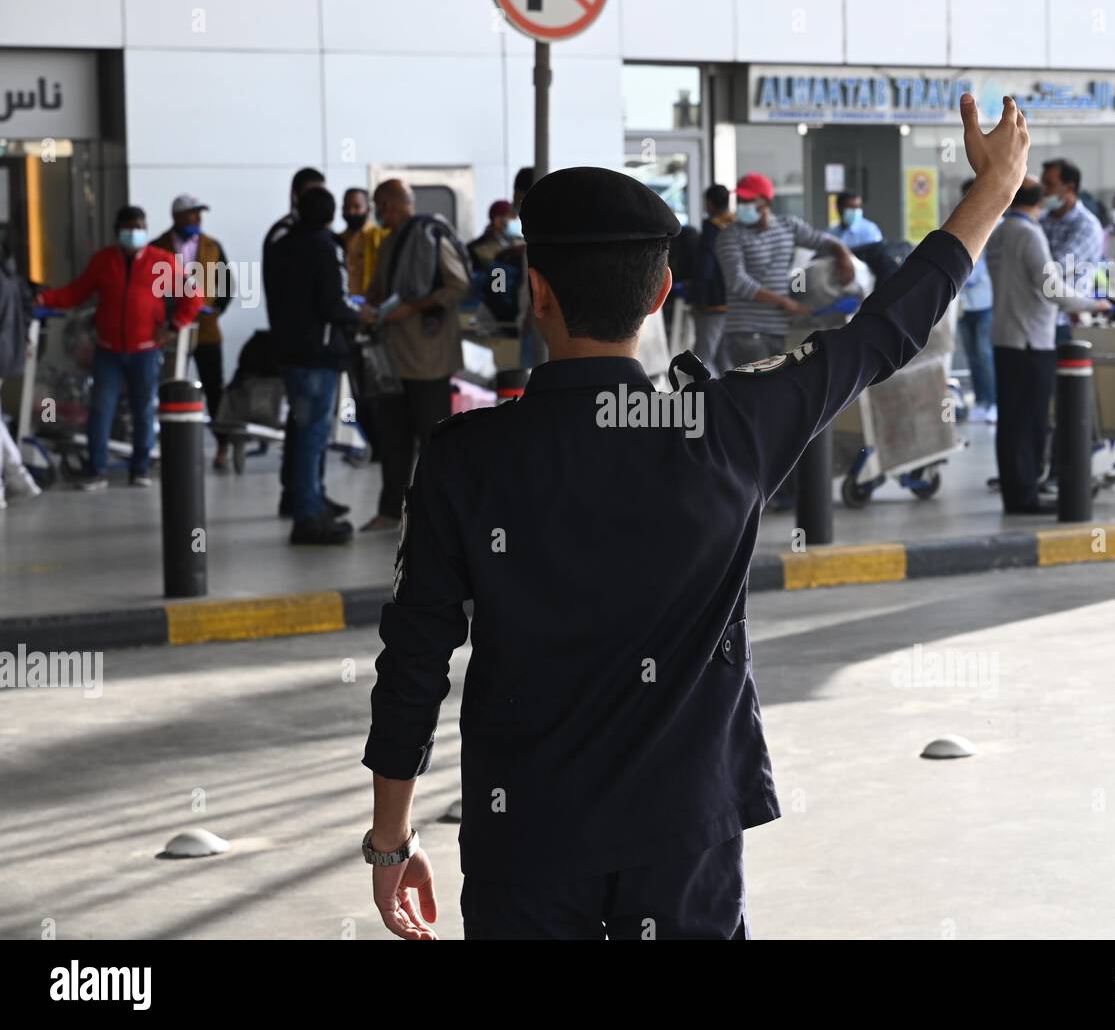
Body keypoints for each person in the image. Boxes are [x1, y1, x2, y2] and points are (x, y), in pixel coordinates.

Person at [359, 93, 1030, 941]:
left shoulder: (465, 458)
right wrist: (992, 190)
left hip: (523, 838)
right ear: (663, 292)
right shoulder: (729, 426)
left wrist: (392, 841)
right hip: (683, 838)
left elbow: (414, 660)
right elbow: (883, 332)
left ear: (537, 293)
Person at [36, 206, 201, 490]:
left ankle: (140, 469)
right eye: (129, 228)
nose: (135, 233)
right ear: (118, 232)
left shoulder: (161, 261)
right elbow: (76, 292)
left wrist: (174, 326)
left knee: (143, 411)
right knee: (101, 410)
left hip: (146, 350)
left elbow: (193, 296)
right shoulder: (103, 262)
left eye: (140, 228)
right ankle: (97, 469)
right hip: (108, 351)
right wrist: (43, 299)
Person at [986, 177, 1109, 515]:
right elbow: (1051, 287)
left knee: (1012, 421)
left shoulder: (999, 232)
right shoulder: (1028, 233)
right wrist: (1093, 304)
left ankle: (1016, 491)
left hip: (1005, 338)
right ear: (1041, 201)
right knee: (1030, 421)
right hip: (1030, 340)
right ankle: (1025, 495)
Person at [360, 178, 470, 532]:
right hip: (394, 360)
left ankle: (443, 515)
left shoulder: (430, 235)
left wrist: (413, 308)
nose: (378, 213)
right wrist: (369, 308)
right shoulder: (390, 242)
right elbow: (379, 291)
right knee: (393, 439)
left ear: (391, 204)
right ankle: (390, 511)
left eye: (380, 205)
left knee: (434, 440)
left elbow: (458, 285)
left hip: (428, 360)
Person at [264, 187, 359, 545]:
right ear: (331, 215)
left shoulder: (281, 243)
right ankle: (307, 515)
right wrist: (359, 315)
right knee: (312, 435)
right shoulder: (326, 247)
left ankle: (309, 498)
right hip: (316, 355)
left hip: (288, 351)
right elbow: (332, 304)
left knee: (303, 431)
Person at [716, 171, 855, 371]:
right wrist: (784, 302)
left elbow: (820, 240)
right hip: (746, 331)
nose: (741, 204)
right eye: (739, 199)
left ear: (765, 201)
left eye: (747, 199)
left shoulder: (788, 226)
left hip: (778, 330)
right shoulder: (730, 235)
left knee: (775, 387)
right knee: (759, 387)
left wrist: (842, 254)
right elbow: (737, 281)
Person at [152, 194, 234, 472]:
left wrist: (217, 308)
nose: (197, 219)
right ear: (176, 217)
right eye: (191, 214)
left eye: (199, 214)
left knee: (214, 386)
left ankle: (222, 444)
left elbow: (226, 283)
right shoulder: (158, 247)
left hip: (206, 329)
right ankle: (166, 443)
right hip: (171, 329)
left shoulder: (211, 246)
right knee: (169, 384)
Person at [1039, 159, 1104, 342]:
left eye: (1049, 184)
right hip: (1040, 318)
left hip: (1067, 321)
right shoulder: (1042, 220)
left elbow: (1054, 268)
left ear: (1069, 187)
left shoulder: (1086, 226)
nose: (1043, 190)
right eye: (1043, 183)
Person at [0, 240, 40, 507]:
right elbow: (27, 308)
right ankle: (19, 478)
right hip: (7, 351)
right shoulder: (9, 269)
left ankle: (15, 480)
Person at [957, 177, 996, 422]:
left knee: (984, 354)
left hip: (984, 302)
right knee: (972, 355)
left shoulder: (994, 223)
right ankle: (981, 400)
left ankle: (993, 401)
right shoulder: (960, 223)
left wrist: (959, 275)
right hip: (963, 304)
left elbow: (978, 268)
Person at [687, 184, 733, 378]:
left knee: (701, 358)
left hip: (712, 302)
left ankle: (698, 395)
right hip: (734, 302)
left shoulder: (713, 228)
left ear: (710, 203)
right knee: (724, 358)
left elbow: (706, 265)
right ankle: (731, 394)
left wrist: (696, 296)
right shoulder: (737, 226)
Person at [341, 187, 388, 296]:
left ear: (368, 209)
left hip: (373, 302)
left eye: (356, 207)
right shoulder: (338, 240)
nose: (351, 212)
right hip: (344, 303)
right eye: (346, 207)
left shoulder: (382, 237)